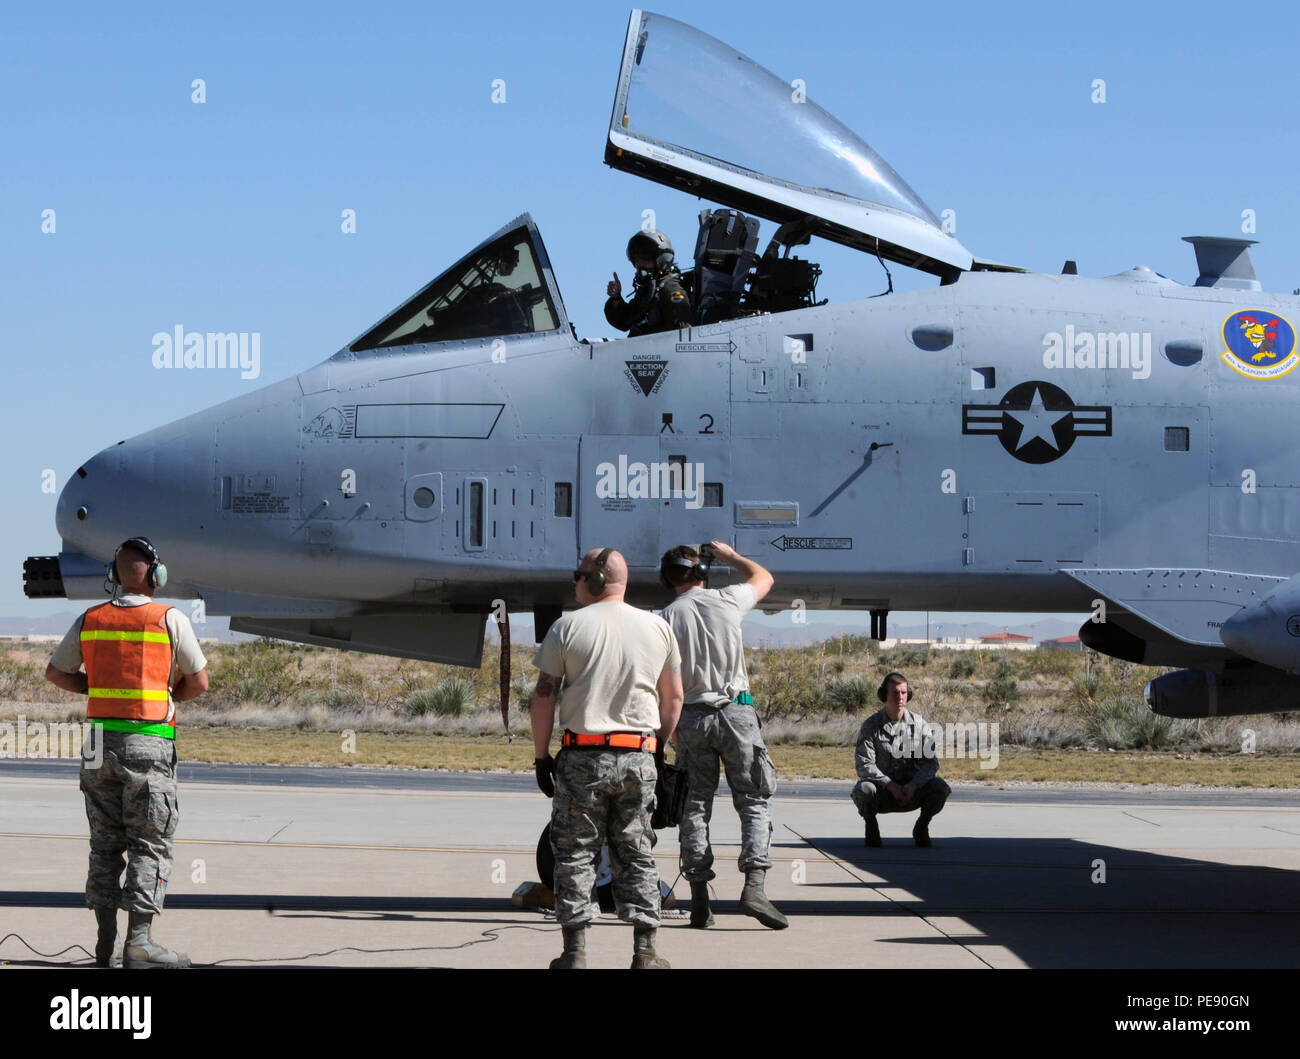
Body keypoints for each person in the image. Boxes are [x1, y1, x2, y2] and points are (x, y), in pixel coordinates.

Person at [44, 537, 209, 968]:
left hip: (98, 744)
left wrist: (92, 688)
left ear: (114, 577)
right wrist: (169, 695)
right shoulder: (168, 618)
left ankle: (105, 947)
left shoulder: (91, 618)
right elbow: (200, 681)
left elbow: (56, 673)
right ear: (157, 576)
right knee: (148, 844)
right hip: (147, 741)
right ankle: (139, 944)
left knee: (104, 844)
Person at [530, 547, 684, 969]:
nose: (575, 581)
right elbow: (674, 699)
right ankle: (645, 953)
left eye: (578, 575)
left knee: (576, 853)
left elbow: (544, 697)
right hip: (638, 756)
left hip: (583, 757)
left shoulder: (567, 627)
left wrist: (542, 757)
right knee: (637, 850)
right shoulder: (658, 628)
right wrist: (655, 748)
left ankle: (574, 954)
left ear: (597, 580)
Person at [659, 541, 787, 930]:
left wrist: (673, 732)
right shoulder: (729, 600)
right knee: (752, 800)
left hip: (691, 718)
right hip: (737, 713)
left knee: (694, 805)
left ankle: (700, 900)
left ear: (667, 578)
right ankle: (754, 887)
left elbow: (662, 684)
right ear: (700, 574)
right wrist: (731, 556)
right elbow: (764, 578)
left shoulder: (662, 618)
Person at [851, 673, 951, 848]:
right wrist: (890, 785)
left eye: (904, 693)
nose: (900, 698)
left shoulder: (919, 725)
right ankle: (871, 825)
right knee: (864, 789)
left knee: (940, 787)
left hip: (911, 792)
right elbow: (864, 765)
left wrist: (914, 785)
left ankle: (922, 826)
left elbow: (931, 763)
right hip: (882, 793)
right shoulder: (871, 726)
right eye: (895, 693)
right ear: (884, 696)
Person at [604, 228, 693, 336]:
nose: (639, 265)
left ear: (662, 259)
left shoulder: (671, 290)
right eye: (636, 260)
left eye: (645, 259)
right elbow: (625, 322)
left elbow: (684, 335)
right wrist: (616, 299)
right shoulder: (648, 291)